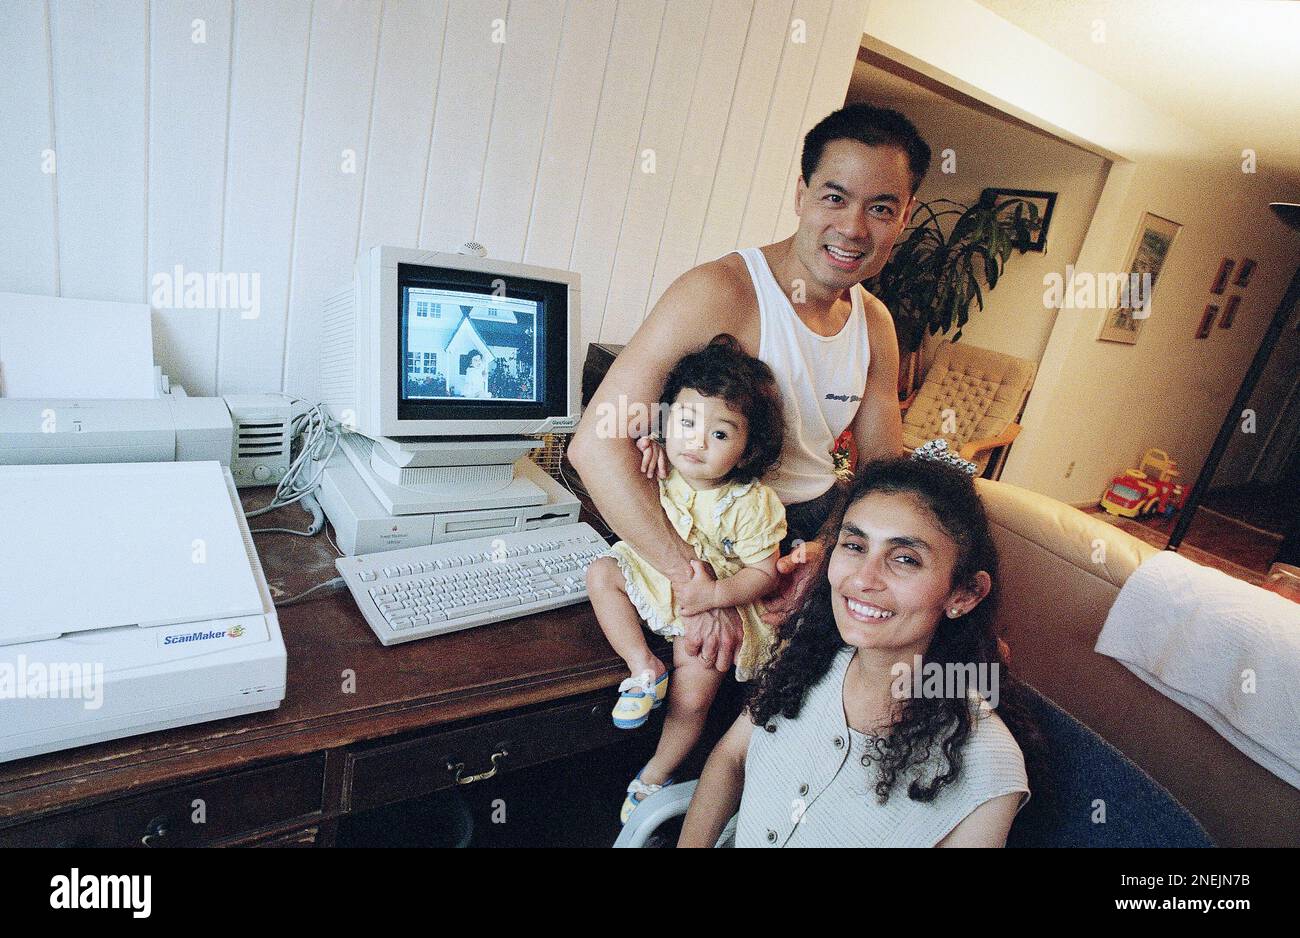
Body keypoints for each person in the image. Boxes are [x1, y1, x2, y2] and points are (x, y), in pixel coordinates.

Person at [569, 104, 931, 675]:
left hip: (809, 531)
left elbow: (882, 478)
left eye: (880, 209)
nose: (854, 229)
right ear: (801, 194)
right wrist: (700, 586)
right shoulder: (721, 291)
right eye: (834, 198)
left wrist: (831, 550)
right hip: (713, 530)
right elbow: (594, 445)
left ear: (904, 217)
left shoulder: (876, 324)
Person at [679, 446, 1036, 847]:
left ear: (965, 594)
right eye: (854, 546)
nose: (864, 579)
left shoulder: (989, 769)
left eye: (905, 559)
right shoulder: (811, 658)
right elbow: (731, 758)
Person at [585, 337, 786, 823]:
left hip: (719, 600)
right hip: (661, 577)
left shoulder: (750, 503)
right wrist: (647, 452)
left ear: (746, 449)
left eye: (720, 434)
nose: (696, 442)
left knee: (693, 694)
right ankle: (642, 668)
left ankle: (657, 773)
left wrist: (717, 595)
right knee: (601, 573)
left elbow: (764, 572)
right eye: (687, 422)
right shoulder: (660, 466)